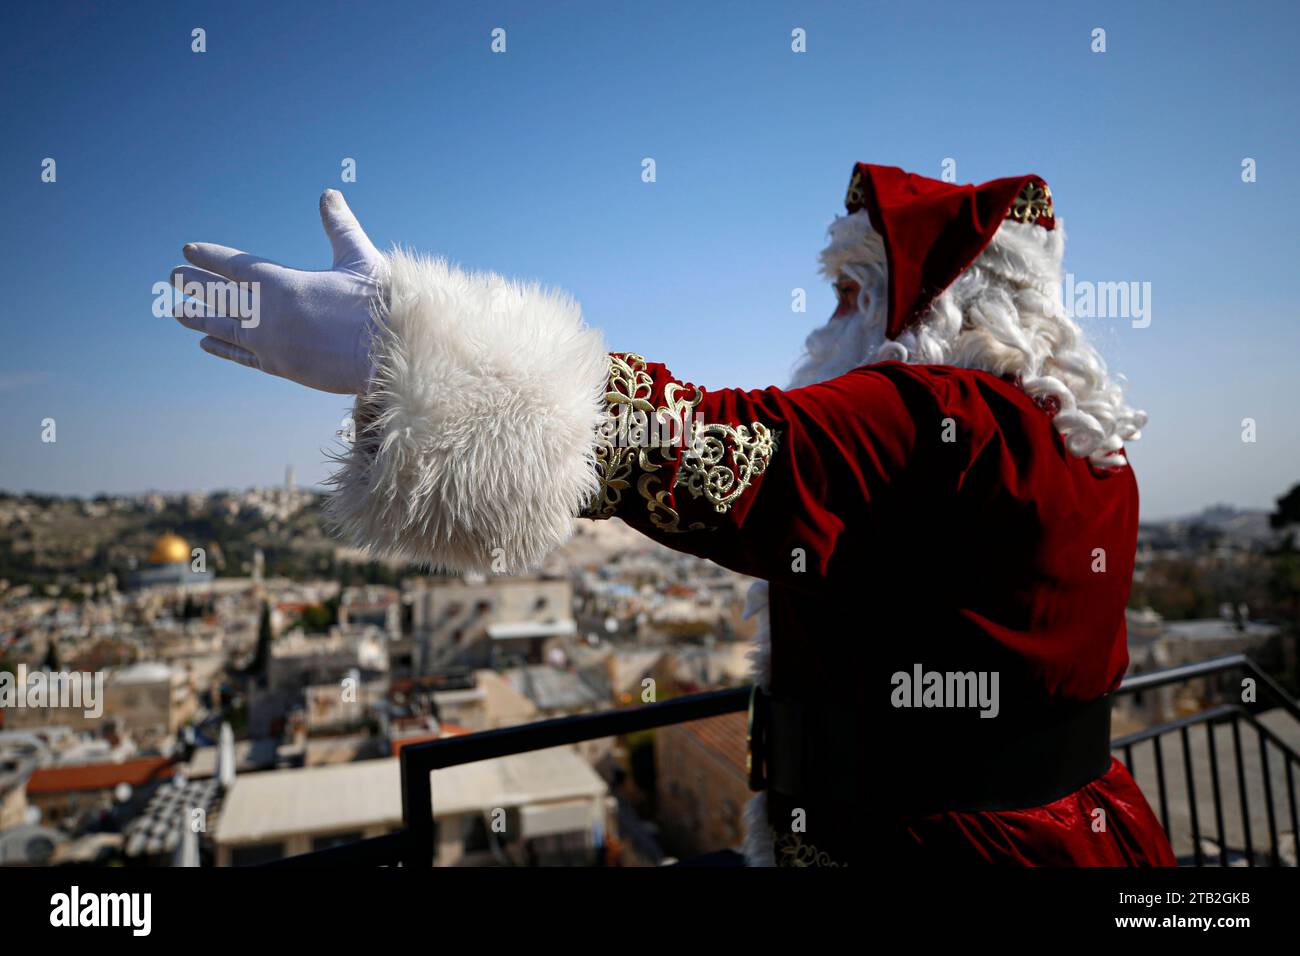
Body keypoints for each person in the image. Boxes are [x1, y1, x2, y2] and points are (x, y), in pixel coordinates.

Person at [168, 164, 1177, 867]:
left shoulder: (940, 413)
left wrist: (411, 343)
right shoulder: (1086, 441)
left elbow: (715, 448)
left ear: (924, 305)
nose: (826, 319)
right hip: (1082, 823)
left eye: (847, 290)